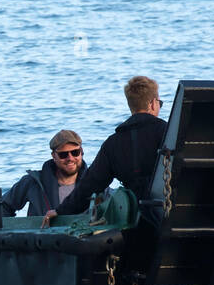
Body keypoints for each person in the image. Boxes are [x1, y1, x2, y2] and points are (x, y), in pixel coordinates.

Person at [56, 76, 169, 215]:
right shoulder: (168, 133)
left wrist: (60, 211)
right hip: (169, 211)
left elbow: (90, 185)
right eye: (159, 103)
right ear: (152, 103)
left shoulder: (113, 144)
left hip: (135, 219)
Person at [0, 130, 96, 217]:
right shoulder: (32, 183)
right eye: (63, 154)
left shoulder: (95, 183)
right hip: (42, 235)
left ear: (82, 152)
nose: (70, 158)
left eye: (75, 152)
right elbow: (3, 206)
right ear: (54, 156)